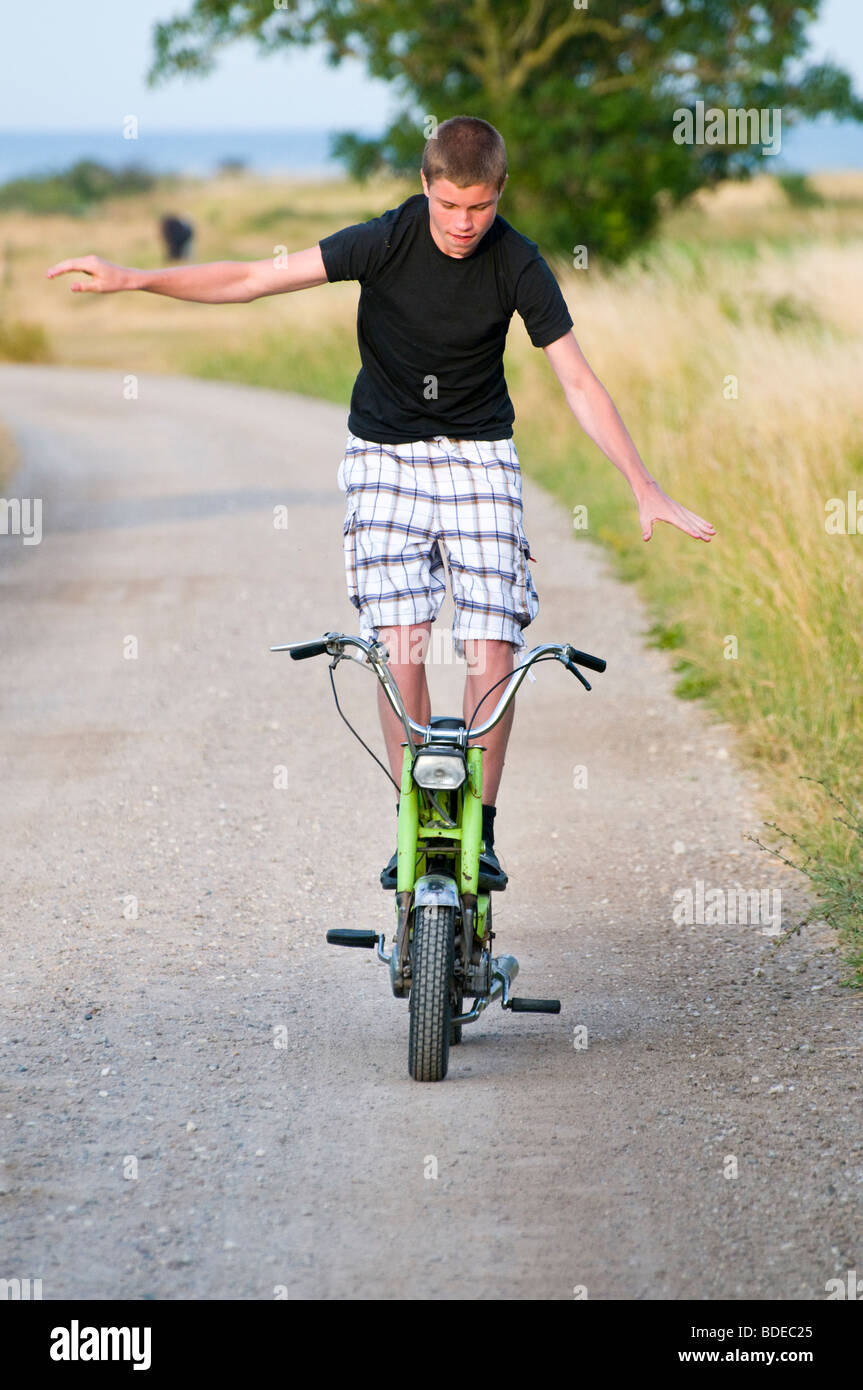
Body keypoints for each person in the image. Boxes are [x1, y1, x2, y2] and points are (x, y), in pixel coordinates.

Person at [45, 115, 715, 891]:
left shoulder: (519, 262)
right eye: (448, 207)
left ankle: (482, 834)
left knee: (491, 638)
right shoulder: (383, 240)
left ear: (499, 191)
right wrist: (135, 278)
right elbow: (251, 279)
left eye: (479, 208)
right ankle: (416, 823)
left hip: (479, 457)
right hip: (382, 456)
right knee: (400, 641)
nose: (463, 226)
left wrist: (642, 482)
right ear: (425, 186)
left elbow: (575, 378)